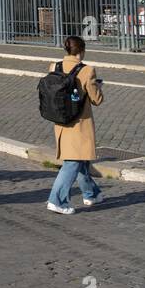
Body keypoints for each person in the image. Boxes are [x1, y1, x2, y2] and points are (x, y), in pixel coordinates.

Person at [46, 35, 105, 214]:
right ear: (82, 51)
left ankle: (91, 193)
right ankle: (56, 200)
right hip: (79, 123)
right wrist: (98, 87)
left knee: (81, 159)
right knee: (73, 162)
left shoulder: (54, 66)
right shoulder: (87, 70)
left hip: (61, 120)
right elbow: (97, 99)